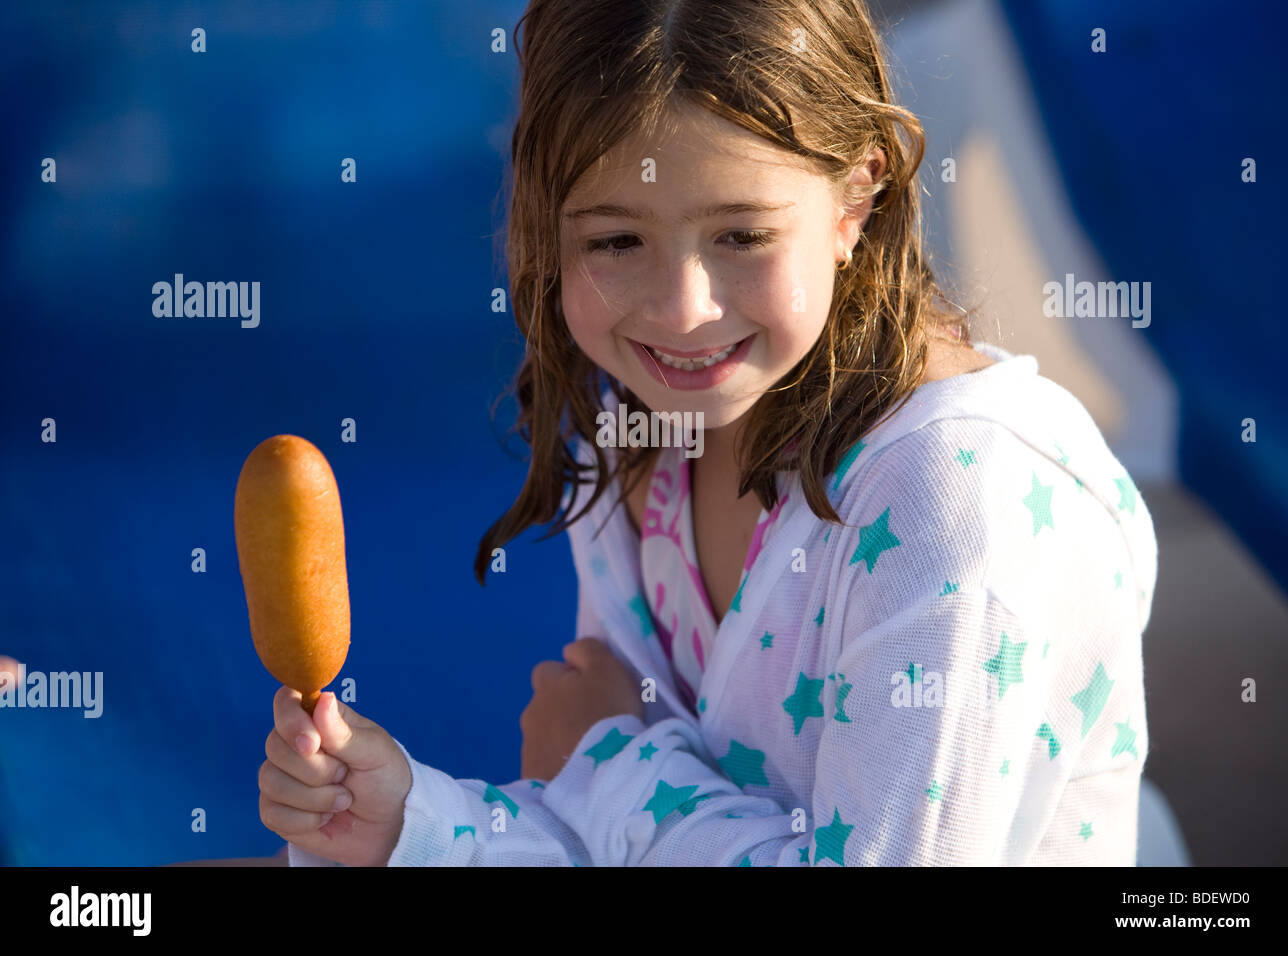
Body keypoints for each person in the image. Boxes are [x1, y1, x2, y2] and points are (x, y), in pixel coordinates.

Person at [259, 0, 1156, 866]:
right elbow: (607, 845)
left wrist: (606, 761)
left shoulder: (957, 494)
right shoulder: (636, 434)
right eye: (616, 242)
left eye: (741, 235)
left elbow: (618, 804)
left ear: (856, 199)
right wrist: (413, 825)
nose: (684, 311)